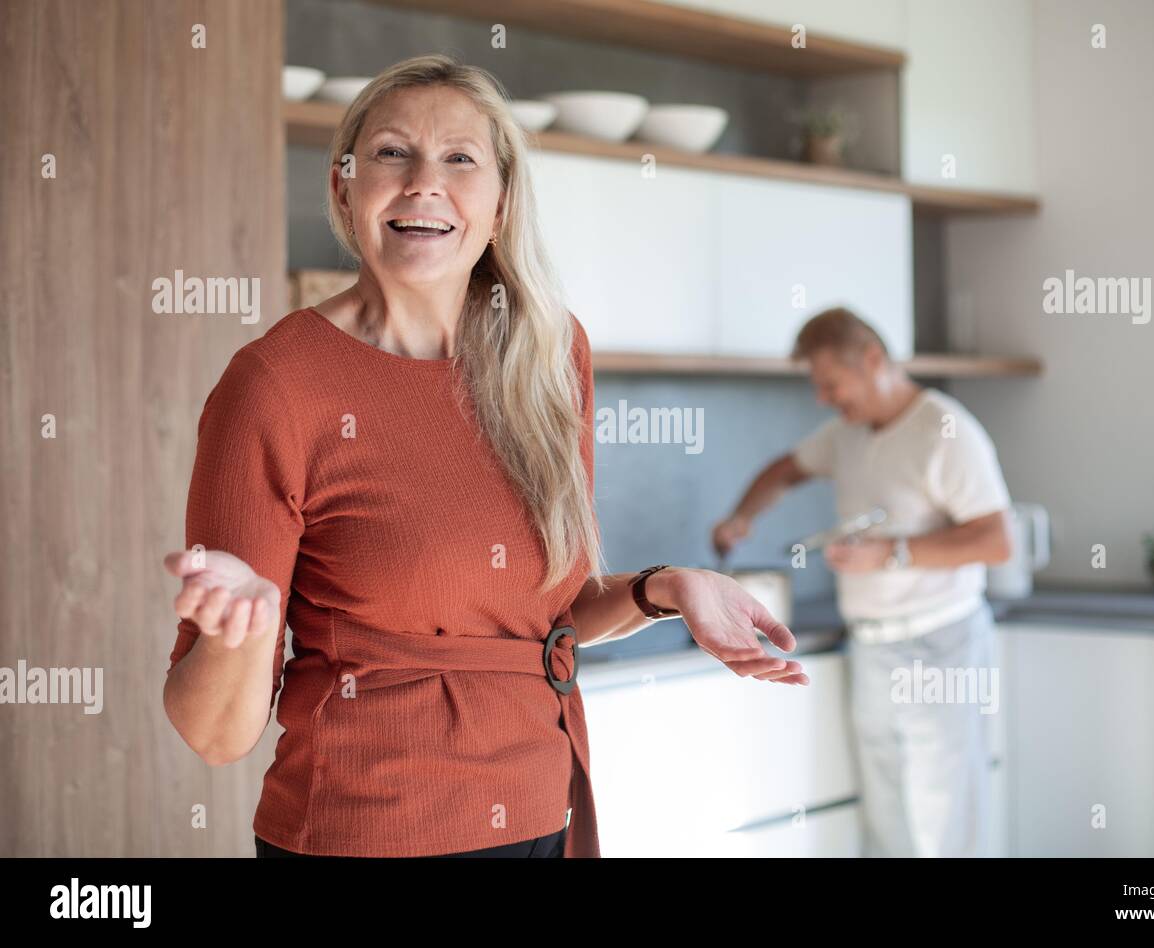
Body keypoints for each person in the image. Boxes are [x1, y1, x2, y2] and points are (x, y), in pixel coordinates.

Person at [161, 54, 808, 861]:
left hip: (545, 811)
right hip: (370, 833)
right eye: (392, 153)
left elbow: (539, 621)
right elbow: (214, 734)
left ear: (500, 204)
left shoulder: (550, 354)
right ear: (343, 187)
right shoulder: (276, 386)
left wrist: (664, 588)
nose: (424, 182)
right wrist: (241, 633)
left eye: (460, 158)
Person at [711, 307, 1014, 857]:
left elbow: (996, 541)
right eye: (817, 386)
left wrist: (892, 554)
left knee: (944, 814)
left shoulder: (945, 430)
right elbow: (785, 469)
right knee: (887, 816)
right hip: (873, 647)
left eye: (830, 384)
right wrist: (742, 517)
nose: (823, 398)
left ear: (874, 360)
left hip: (941, 643)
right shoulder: (846, 434)